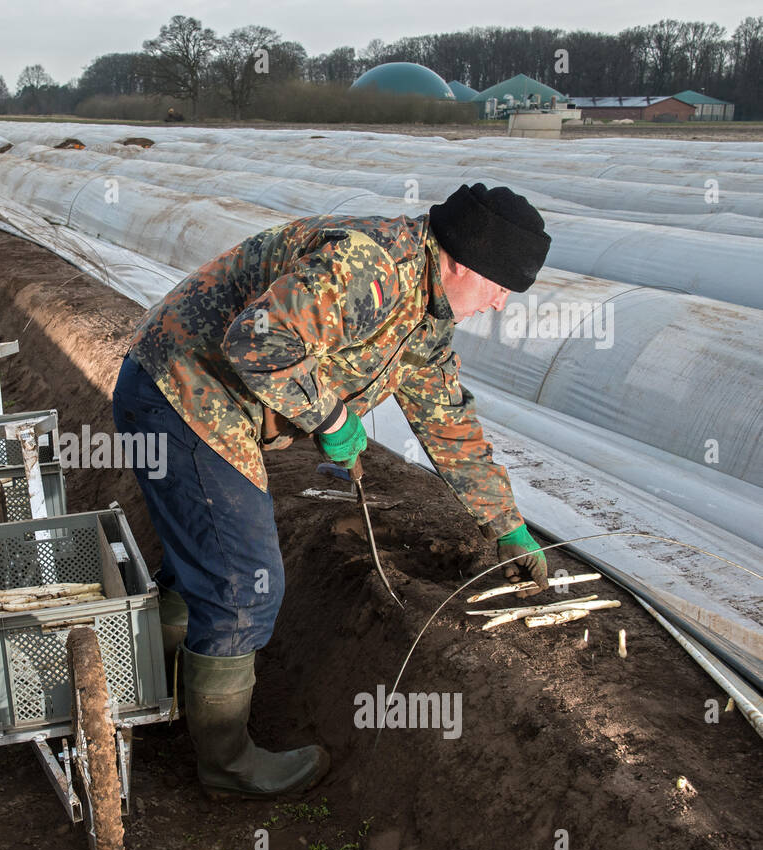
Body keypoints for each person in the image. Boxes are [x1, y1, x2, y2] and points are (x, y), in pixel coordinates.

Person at [113, 184, 552, 799]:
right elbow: (256, 340)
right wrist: (332, 417)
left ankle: (146, 690)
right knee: (243, 580)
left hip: (194, 398)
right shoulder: (369, 268)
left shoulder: (425, 314)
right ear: (460, 261)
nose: (500, 305)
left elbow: (447, 419)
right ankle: (226, 765)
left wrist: (504, 523)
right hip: (181, 394)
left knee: (205, 569)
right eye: (498, 287)